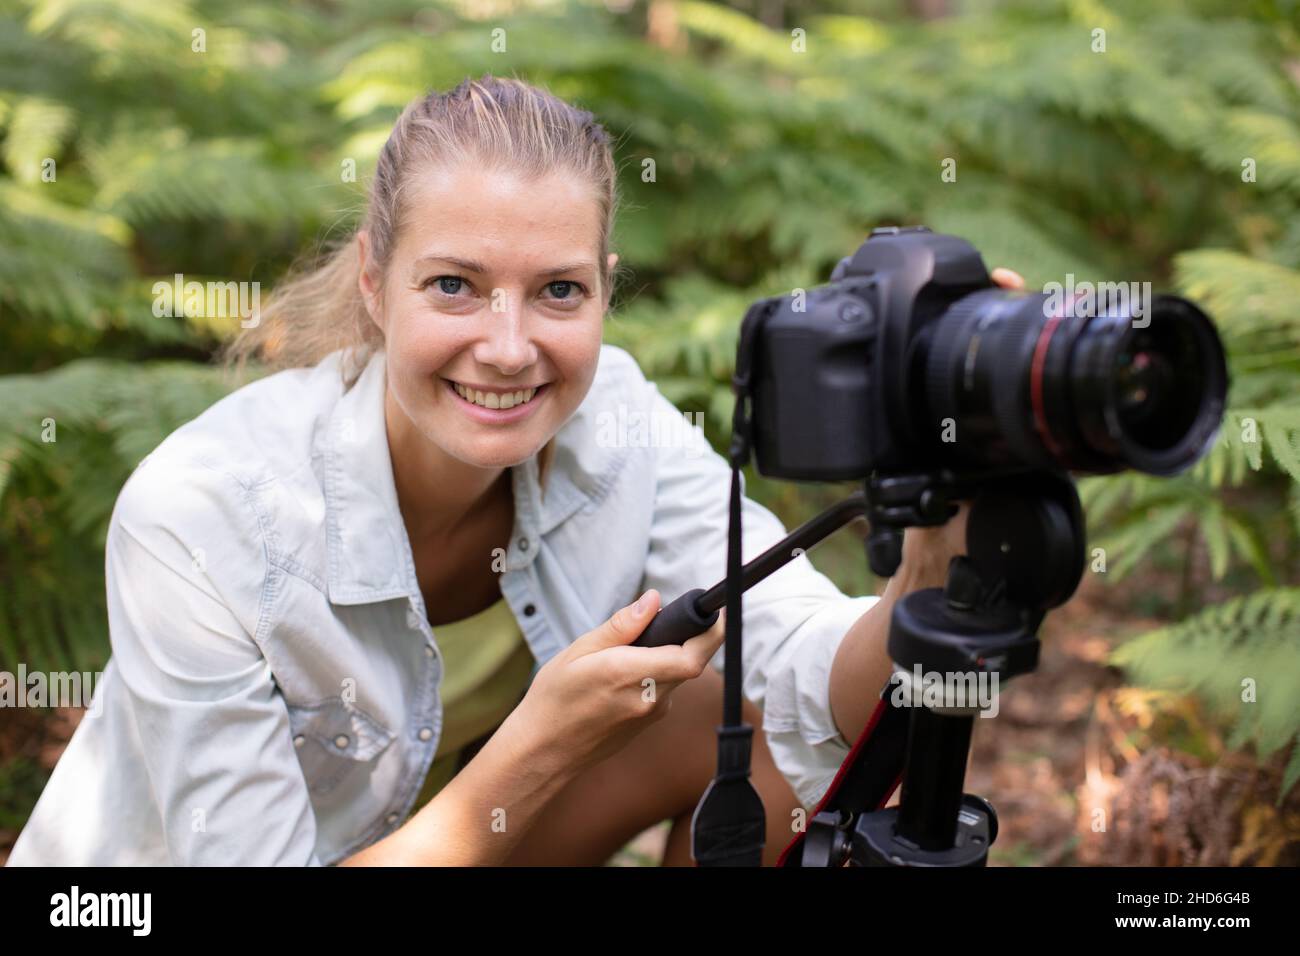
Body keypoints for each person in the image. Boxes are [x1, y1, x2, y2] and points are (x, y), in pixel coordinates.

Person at [6, 74, 1024, 867]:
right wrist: (538, 743)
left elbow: (817, 673)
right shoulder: (203, 515)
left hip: (451, 832)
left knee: (743, 718)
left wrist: (937, 537)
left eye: (557, 291)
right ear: (373, 279)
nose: (506, 346)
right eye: (455, 284)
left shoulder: (615, 418)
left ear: (604, 289)